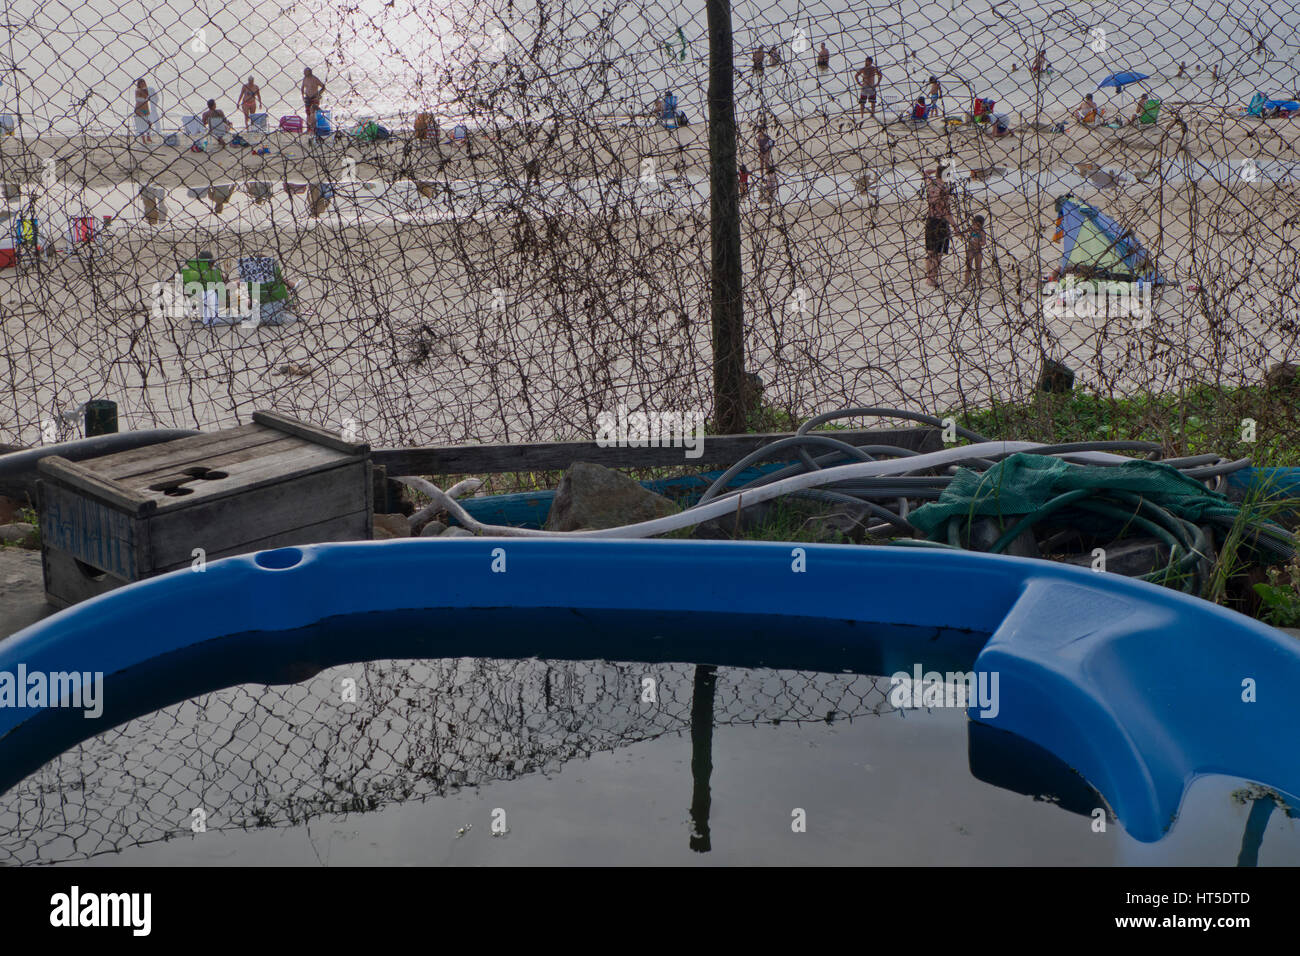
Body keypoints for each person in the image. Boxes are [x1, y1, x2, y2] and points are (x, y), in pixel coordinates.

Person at [922, 164, 956, 289]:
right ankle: (932, 278)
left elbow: (925, 173)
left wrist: (932, 172)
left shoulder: (930, 184)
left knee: (930, 251)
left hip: (930, 220)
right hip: (940, 222)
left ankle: (929, 277)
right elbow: (946, 211)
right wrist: (955, 226)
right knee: (938, 252)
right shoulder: (944, 189)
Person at [301, 68, 326, 133]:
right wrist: (303, 96)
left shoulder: (315, 79)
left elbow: (323, 87)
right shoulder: (305, 79)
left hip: (314, 97)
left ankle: (314, 128)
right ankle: (308, 128)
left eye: (305, 72)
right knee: (308, 113)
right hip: (307, 97)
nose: (304, 73)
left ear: (309, 72)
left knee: (314, 112)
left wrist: (318, 94)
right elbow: (302, 88)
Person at [965, 215, 986, 288]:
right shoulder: (971, 230)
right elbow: (966, 235)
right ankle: (966, 282)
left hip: (978, 251)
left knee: (978, 267)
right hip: (970, 250)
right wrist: (969, 238)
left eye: (978, 225)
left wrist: (978, 243)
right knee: (968, 267)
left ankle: (979, 282)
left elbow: (984, 242)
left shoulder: (982, 233)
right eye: (974, 224)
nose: (975, 227)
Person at [133, 79, 154, 143]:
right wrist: (145, 98)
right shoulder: (137, 90)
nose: (142, 85)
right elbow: (138, 99)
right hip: (140, 109)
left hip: (145, 109)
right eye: (141, 83)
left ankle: (148, 137)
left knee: (148, 122)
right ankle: (143, 139)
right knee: (141, 123)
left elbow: (148, 97)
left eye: (143, 83)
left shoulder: (146, 90)